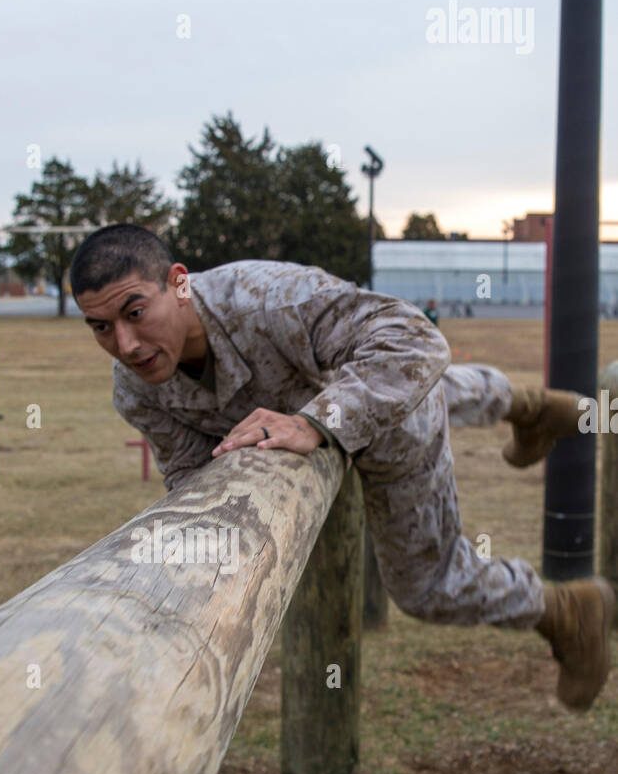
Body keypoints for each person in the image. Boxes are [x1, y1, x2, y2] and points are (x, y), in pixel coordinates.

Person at [68, 223, 612, 712]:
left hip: (380, 425)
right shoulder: (136, 390)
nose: (126, 344)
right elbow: (191, 474)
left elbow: (415, 341)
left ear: (179, 283)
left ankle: (565, 609)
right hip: (331, 393)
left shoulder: (267, 300)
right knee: (436, 389)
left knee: (429, 585)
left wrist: (315, 423)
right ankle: (531, 407)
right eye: (100, 327)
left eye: (135, 312)